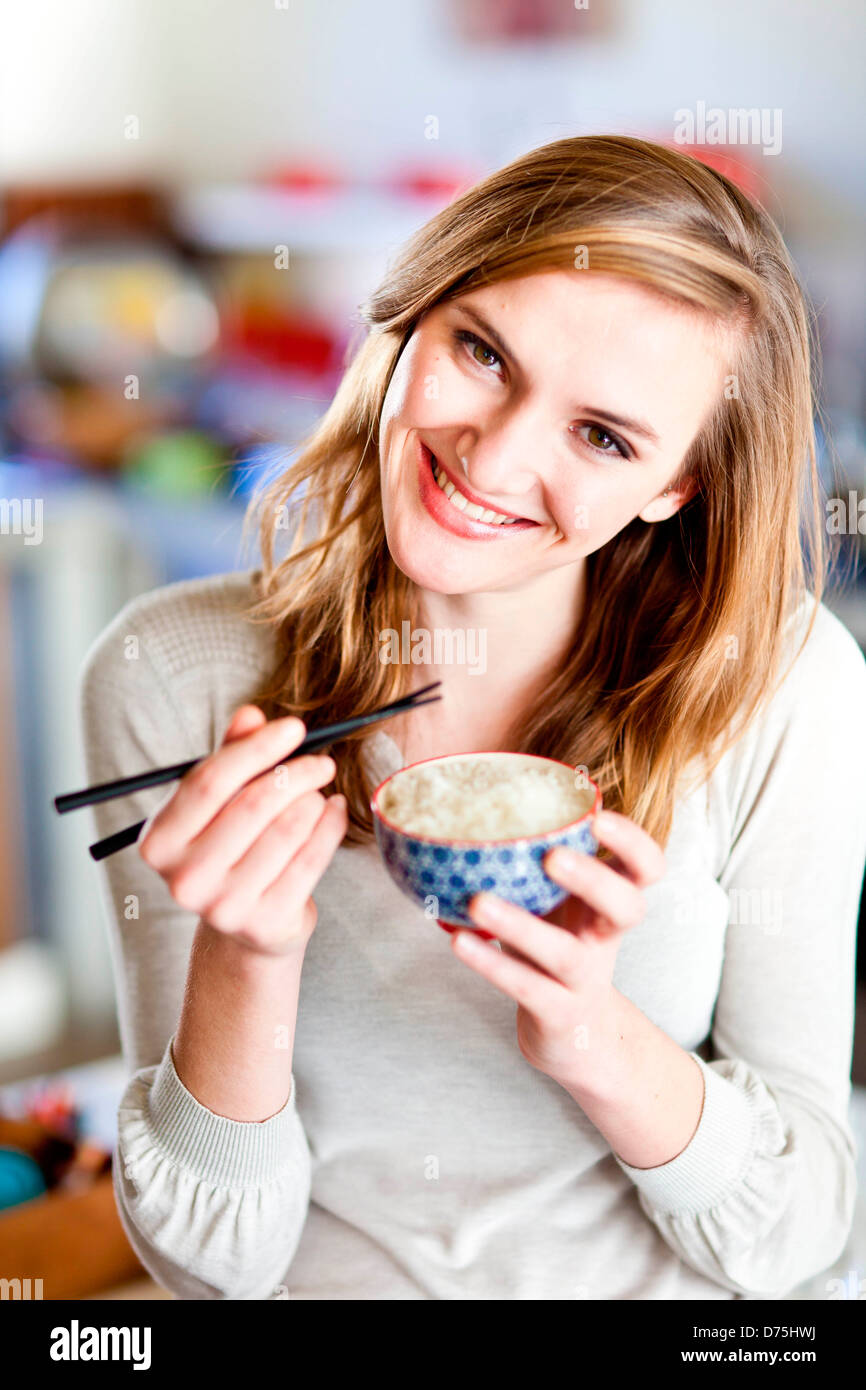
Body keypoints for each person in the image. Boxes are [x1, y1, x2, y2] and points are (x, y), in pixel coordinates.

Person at [79, 135, 866, 1300]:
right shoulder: (169, 671)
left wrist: (594, 1040)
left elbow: (798, 1234)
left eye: (602, 436)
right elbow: (209, 1270)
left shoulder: (780, 685)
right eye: (481, 351)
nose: (492, 459)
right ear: (416, 311)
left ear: (674, 487)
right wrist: (245, 956)